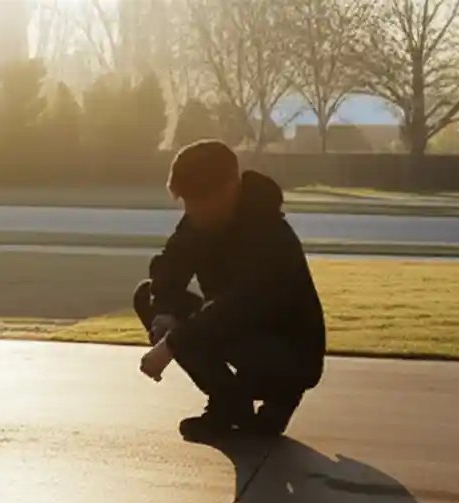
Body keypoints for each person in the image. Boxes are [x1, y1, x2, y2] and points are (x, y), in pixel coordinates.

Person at [135, 140, 326, 441]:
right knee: (147, 296)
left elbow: (240, 307)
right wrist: (165, 312)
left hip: (286, 353)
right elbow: (169, 266)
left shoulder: (271, 234)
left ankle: (279, 399)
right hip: (232, 329)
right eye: (186, 201)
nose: (191, 210)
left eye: (197, 200)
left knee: (216, 326)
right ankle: (228, 403)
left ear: (228, 189)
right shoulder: (200, 221)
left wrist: (172, 343)